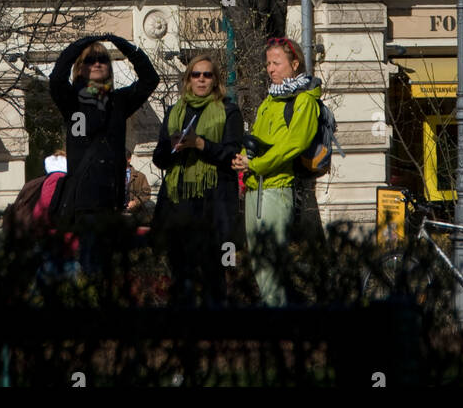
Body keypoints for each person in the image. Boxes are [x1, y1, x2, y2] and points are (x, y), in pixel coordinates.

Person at [49, 33, 159, 278]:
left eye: (102, 59)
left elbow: (150, 79)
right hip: (85, 201)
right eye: (90, 60)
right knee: (92, 268)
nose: (97, 63)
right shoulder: (72, 100)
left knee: (110, 272)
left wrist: (124, 46)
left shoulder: (118, 101)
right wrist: (79, 44)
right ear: (80, 67)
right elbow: (56, 78)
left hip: (112, 200)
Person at [231, 36, 321, 307]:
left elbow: (294, 144)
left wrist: (255, 164)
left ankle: (279, 323)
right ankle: (277, 317)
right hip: (256, 187)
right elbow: (256, 139)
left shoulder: (304, 100)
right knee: (260, 261)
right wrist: (243, 160)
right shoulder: (271, 100)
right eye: (268, 63)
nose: (270, 69)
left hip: (276, 189)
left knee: (271, 261)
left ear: (295, 64)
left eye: (277, 63)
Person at [153, 53, 243, 306]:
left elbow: (232, 155)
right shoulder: (175, 112)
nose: (201, 80)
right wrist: (173, 146)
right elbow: (159, 159)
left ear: (215, 80)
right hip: (178, 202)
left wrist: (201, 143)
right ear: (188, 79)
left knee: (213, 271)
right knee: (181, 272)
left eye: (207, 75)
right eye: (196, 74)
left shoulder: (229, 110)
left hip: (213, 203)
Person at [124, 150, 153, 220]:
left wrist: (135, 202)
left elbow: (146, 193)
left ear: (129, 159)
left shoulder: (140, 176)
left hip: (134, 215)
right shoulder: (111, 175)